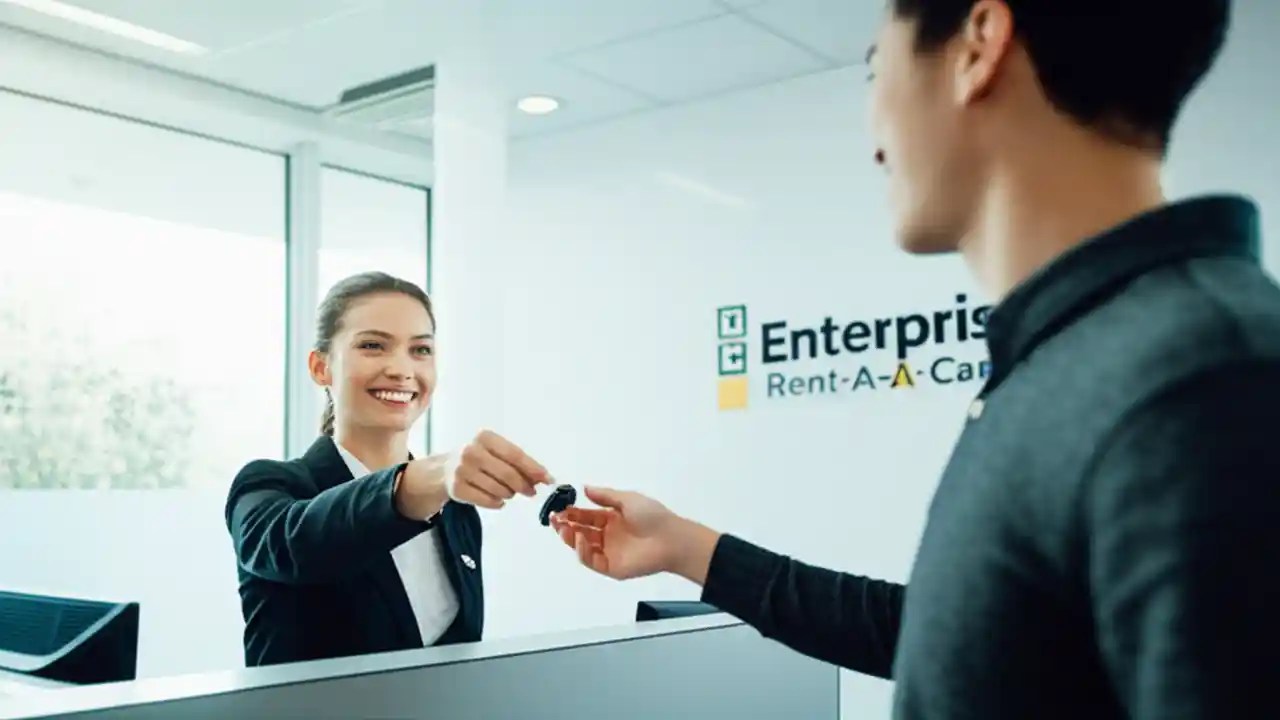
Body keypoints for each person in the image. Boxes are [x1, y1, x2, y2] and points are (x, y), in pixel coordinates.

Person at [551, 1, 1280, 718]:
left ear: (978, 47)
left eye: (877, 69)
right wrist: (685, 548)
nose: (873, 137)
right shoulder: (1091, 358)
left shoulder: (1201, 381)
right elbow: (958, 643)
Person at [226, 271, 550, 667]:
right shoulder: (270, 485)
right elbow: (295, 546)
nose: (401, 368)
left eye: (420, 350)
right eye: (373, 346)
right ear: (320, 367)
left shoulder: (456, 511)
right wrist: (414, 484)